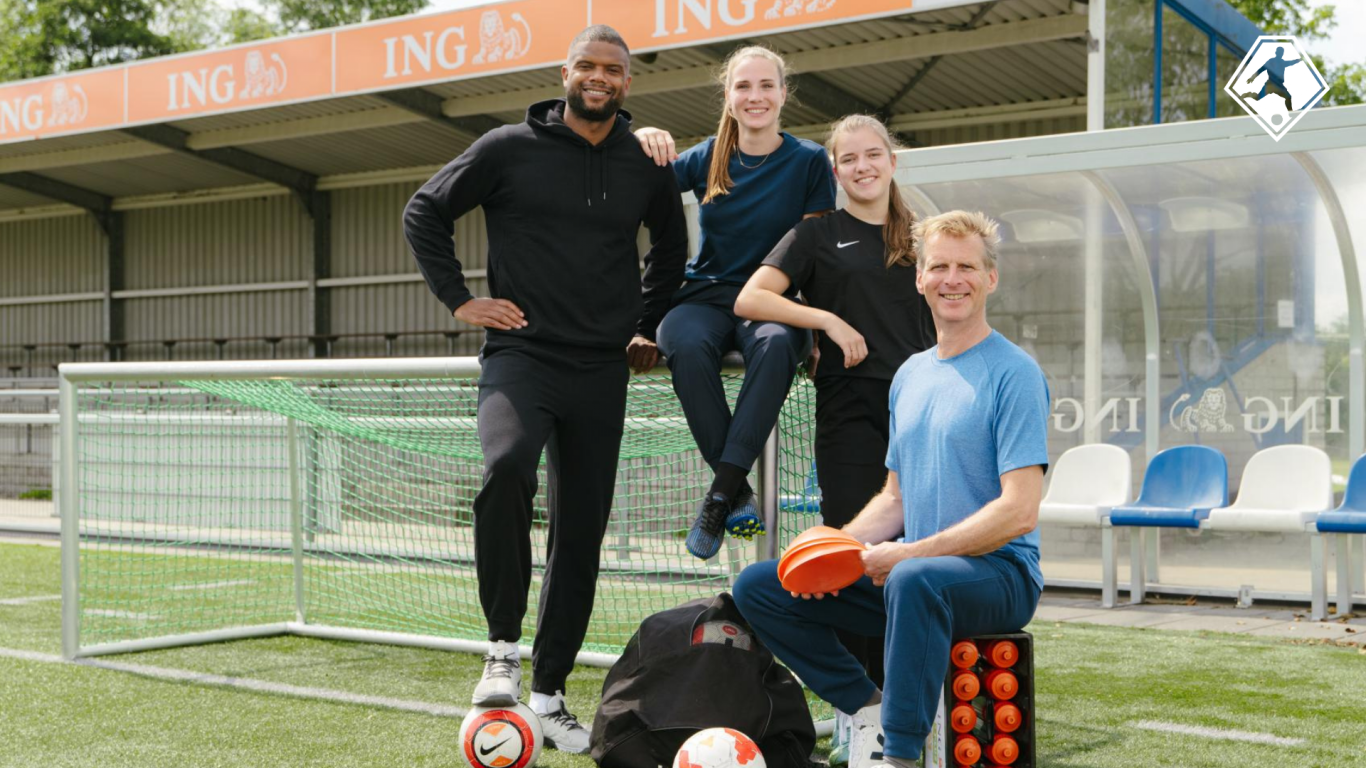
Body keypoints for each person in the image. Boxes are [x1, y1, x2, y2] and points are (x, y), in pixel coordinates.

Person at [403, 25, 688, 754]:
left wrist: (646, 324)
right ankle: (502, 648)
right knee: (505, 468)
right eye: (587, 66)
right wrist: (460, 299)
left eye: (613, 70)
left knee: (581, 531)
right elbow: (423, 211)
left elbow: (671, 249)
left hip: (602, 368)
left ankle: (550, 694)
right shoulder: (507, 148)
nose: (599, 78)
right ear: (565, 73)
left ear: (627, 82)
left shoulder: (645, 161)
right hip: (521, 355)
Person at [732, 211, 1048, 768]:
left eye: (967, 267)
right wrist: (833, 548)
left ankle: (898, 755)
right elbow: (895, 499)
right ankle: (868, 708)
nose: (953, 279)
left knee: (912, 577)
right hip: (916, 578)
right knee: (764, 584)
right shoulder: (910, 375)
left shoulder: (1014, 373)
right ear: (920, 278)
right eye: (939, 267)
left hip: (1000, 576)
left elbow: (1019, 511)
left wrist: (908, 554)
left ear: (990, 279)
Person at [732, 114, 935, 761]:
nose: (862, 167)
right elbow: (752, 298)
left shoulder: (923, 237)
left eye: (873, 155)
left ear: (892, 161)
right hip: (850, 415)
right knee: (849, 561)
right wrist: (825, 318)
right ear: (835, 170)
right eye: (849, 159)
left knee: (912, 561)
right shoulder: (817, 233)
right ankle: (860, 711)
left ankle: (914, 706)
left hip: (921, 413)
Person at [634, 45, 836, 561]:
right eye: (743, 86)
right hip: (705, 296)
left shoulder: (809, 161)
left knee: (776, 347)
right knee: (681, 342)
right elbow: (637, 183)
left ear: (783, 93)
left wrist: (815, 329)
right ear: (728, 97)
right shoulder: (708, 156)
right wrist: (637, 137)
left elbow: (814, 251)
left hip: (773, 300)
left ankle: (718, 497)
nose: (755, 96)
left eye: (766, 85)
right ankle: (738, 493)